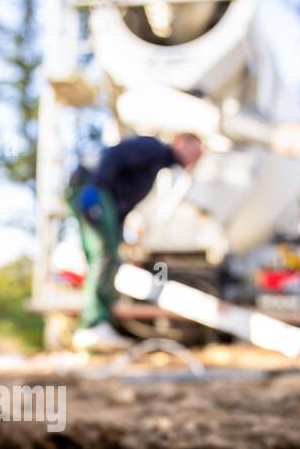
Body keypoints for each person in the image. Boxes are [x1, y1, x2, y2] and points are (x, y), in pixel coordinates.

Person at [68, 133, 204, 350]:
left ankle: (98, 325)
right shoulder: (153, 148)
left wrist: (120, 230)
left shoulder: (157, 167)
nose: (195, 158)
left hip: (104, 196)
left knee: (110, 257)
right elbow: (114, 156)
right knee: (104, 256)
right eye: (194, 151)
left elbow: (124, 199)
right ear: (180, 142)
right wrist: (94, 188)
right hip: (95, 189)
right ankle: (93, 325)